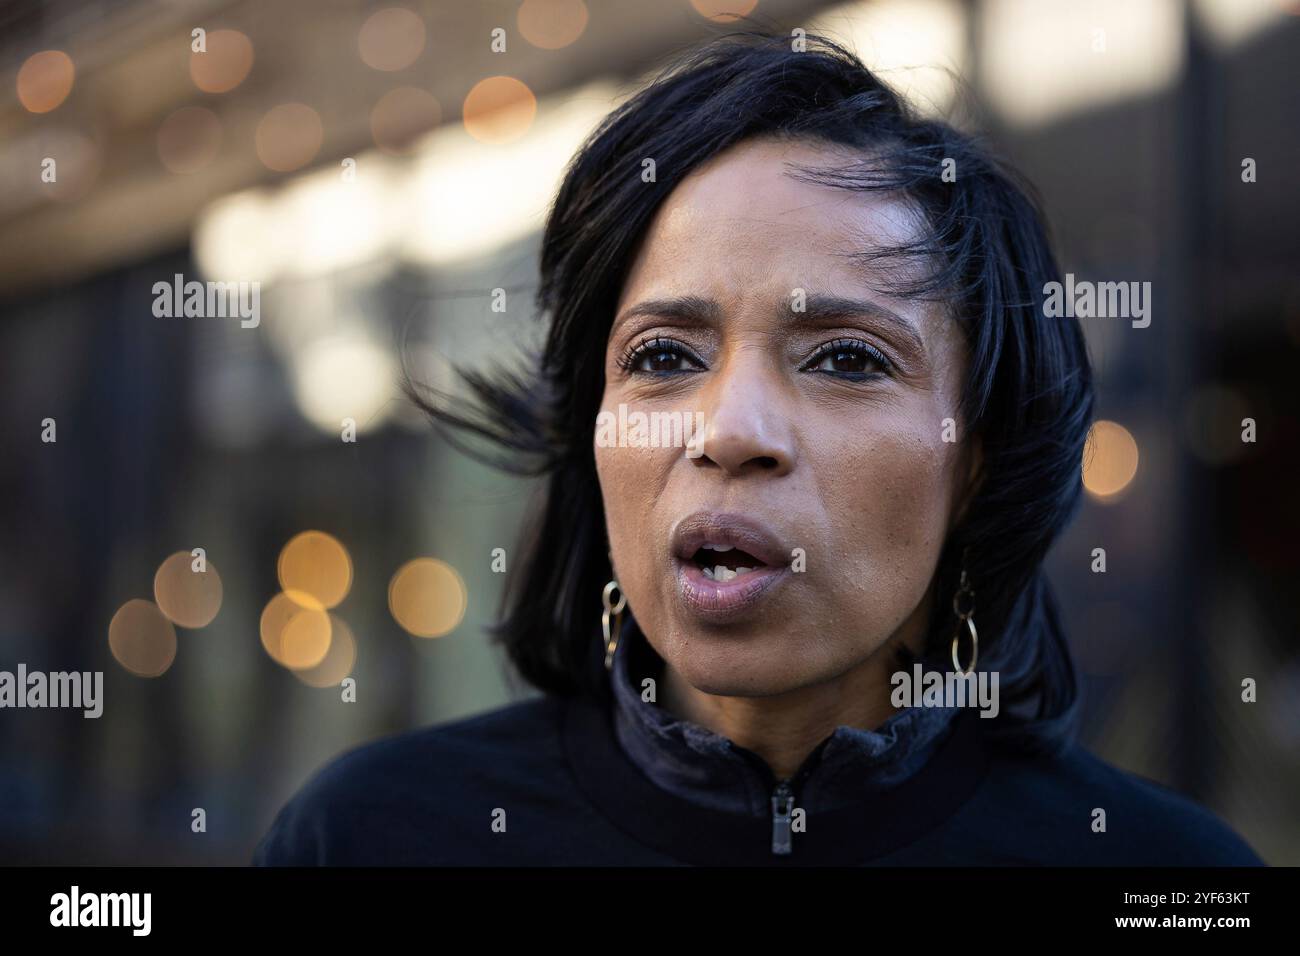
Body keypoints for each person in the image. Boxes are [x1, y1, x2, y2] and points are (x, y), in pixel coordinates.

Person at [253, 32, 1262, 866]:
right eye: (661, 353)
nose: (729, 428)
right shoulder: (369, 836)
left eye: (847, 360)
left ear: (976, 462)